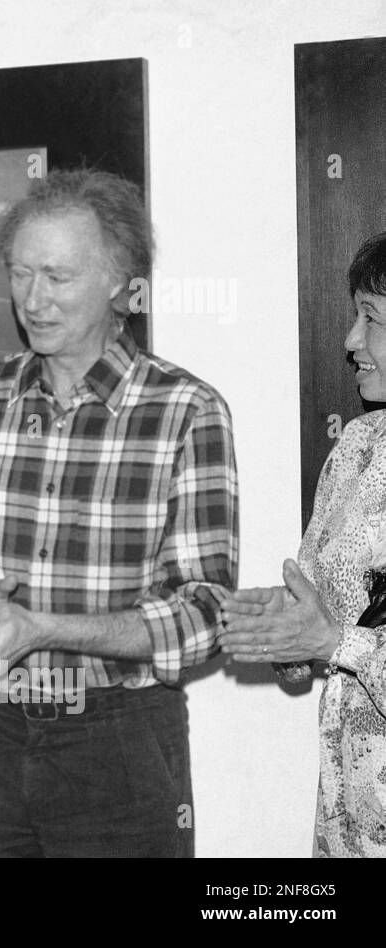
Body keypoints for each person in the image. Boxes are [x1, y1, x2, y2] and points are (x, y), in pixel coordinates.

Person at [0, 168, 239, 857]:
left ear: (121, 285)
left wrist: (45, 628)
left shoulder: (185, 412)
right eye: (21, 274)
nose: (33, 300)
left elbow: (203, 617)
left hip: (119, 739)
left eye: (58, 276)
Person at [222, 232, 386, 857]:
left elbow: (339, 637)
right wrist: (282, 632)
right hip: (347, 820)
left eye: (370, 318)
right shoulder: (357, 450)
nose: (349, 341)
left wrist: (334, 641)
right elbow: (317, 612)